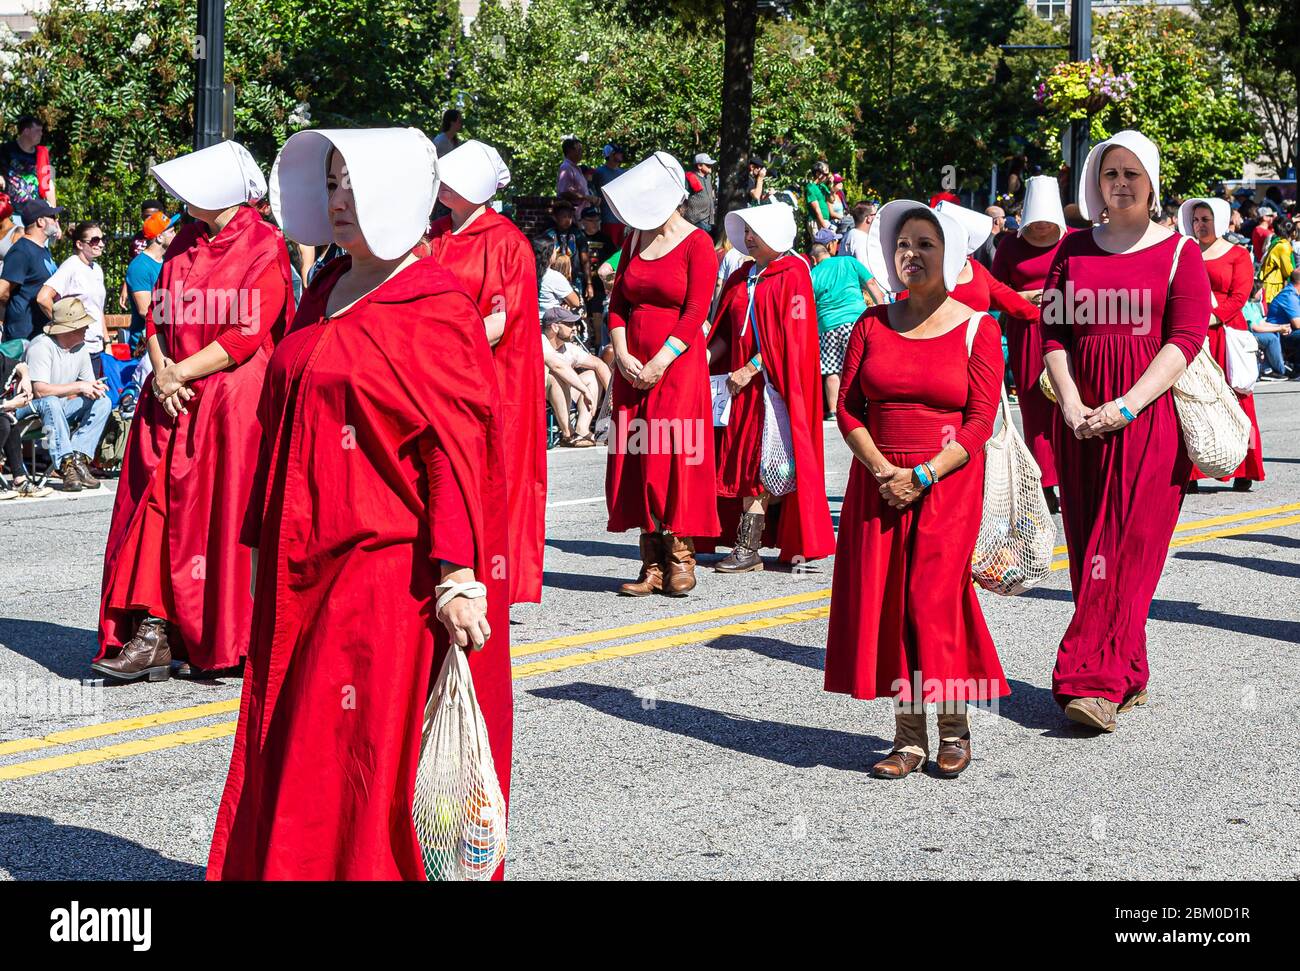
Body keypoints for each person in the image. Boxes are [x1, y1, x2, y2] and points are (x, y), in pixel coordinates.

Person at [208, 127, 511, 881]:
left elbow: (453, 451)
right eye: (332, 181)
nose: (337, 197)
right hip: (299, 560)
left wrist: (457, 574)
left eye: (352, 182)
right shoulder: (322, 288)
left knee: (356, 750)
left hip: (381, 574)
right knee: (300, 740)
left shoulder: (436, 303)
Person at [92, 139, 294, 684]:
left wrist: (180, 373)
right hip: (170, 395)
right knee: (152, 508)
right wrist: (162, 372)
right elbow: (155, 314)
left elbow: (248, 332)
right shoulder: (183, 240)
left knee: (217, 517)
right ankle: (154, 628)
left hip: (230, 401)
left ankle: (219, 633)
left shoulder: (263, 244)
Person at [824, 199, 1007, 779]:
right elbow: (847, 409)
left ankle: (954, 728)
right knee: (889, 600)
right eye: (903, 244)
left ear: (949, 255)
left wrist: (923, 474)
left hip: (946, 481)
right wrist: (883, 470)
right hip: (878, 481)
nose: (912, 254)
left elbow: (980, 423)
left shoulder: (979, 326)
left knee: (933, 598)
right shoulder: (870, 324)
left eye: (925, 244)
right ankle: (907, 736)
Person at [1041, 130, 1210, 733]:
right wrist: (1071, 401)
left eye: (1131, 174)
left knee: (1127, 550)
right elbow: (1053, 334)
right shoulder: (1073, 250)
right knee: (1091, 549)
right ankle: (1128, 669)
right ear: (1096, 183)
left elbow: (1186, 340)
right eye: (1110, 173)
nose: (1119, 183)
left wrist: (1128, 405)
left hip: (1146, 420)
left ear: (1152, 182)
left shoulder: (1180, 253)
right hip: (1082, 420)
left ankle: (1091, 682)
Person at [419, 138, 547, 604]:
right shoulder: (432, 234)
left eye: (453, 181)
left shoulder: (507, 241)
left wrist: (441, 348)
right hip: (437, 369)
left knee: (498, 477)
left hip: (492, 377)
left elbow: (500, 320)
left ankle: (495, 579)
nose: (443, 187)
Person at [602, 151, 719, 596]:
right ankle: (650, 563)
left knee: (674, 453)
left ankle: (680, 554)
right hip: (632, 363)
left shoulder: (698, 244)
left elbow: (694, 313)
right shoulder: (633, 239)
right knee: (637, 454)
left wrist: (659, 361)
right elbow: (617, 306)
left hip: (676, 364)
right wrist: (622, 354)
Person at [705, 202, 835, 574]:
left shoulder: (794, 273)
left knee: (763, 464)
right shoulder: (741, 275)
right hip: (737, 391)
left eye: (755, 232)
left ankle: (749, 546)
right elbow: (728, 333)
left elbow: (792, 338)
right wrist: (702, 358)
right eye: (745, 231)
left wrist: (753, 367)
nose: (748, 238)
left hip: (773, 390)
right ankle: (748, 541)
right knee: (742, 461)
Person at [989, 175, 1068, 506]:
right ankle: (1043, 481)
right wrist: (1024, 296)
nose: (1041, 228)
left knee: (1067, 404)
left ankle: (1069, 476)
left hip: (1066, 330)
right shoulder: (1009, 245)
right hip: (1026, 333)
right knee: (1035, 408)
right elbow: (994, 292)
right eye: (1036, 221)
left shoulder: (1073, 240)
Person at [1178, 197, 1265, 491]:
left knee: (1238, 399)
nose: (1200, 225)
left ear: (1221, 220)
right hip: (1194, 334)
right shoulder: (1186, 251)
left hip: (1225, 334)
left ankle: (1245, 467)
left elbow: (1239, 297)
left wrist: (1211, 319)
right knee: (1194, 400)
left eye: (1206, 219)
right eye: (1196, 219)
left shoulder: (1238, 255)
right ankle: (1193, 471)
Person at [20, 297, 111, 491]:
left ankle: (77, 457)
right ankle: (65, 465)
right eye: (82, 325)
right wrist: (79, 387)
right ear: (69, 329)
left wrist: (95, 388)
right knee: (51, 401)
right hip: (29, 410)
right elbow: (39, 391)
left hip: (58, 409)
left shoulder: (80, 348)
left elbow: (87, 385)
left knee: (103, 402)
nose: (87, 328)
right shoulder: (41, 347)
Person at [809, 237, 883, 414]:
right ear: (830, 250)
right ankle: (864, 405)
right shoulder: (848, 261)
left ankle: (834, 411)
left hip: (827, 325)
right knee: (859, 363)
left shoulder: (813, 274)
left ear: (813, 259)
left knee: (831, 368)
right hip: (855, 320)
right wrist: (881, 309)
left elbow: (809, 304)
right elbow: (871, 283)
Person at [38, 221, 107, 377]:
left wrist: (106, 341)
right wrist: (65, 329)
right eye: (95, 240)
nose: (101, 244)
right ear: (80, 244)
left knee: (95, 397)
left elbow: (97, 308)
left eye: (103, 239)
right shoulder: (71, 266)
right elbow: (43, 298)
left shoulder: (96, 269)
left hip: (96, 347)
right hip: (77, 347)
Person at [543, 305, 609, 447]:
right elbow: (558, 366)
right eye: (569, 324)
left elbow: (599, 364)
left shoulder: (568, 347)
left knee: (593, 374)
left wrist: (613, 397)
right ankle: (568, 434)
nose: (574, 327)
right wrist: (584, 391)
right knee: (556, 375)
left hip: (562, 394)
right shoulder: (540, 341)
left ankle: (582, 430)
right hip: (538, 395)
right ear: (555, 327)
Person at [0, 199, 60, 342]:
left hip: (40, 333)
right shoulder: (21, 251)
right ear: (40, 221)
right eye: (52, 217)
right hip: (23, 337)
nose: (56, 220)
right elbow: (2, 291)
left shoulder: (42, 249)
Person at [123, 211, 179, 349]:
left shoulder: (167, 261)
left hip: (166, 338)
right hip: (146, 345)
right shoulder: (139, 267)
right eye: (171, 231)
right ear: (159, 237)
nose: (176, 235)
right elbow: (144, 310)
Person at [538, 200, 592, 307]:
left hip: (574, 279)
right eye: (564, 216)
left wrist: (589, 283)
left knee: (576, 307)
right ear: (555, 218)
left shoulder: (578, 234)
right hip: (552, 280)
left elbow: (585, 261)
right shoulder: (548, 235)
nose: (568, 219)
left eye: (570, 216)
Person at [0, 115, 55, 207]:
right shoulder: (6, 150)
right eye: (37, 130)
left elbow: (48, 183)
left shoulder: (42, 153)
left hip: (35, 213)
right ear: (26, 131)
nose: (41, 134)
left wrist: (52, 211)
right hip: (10, 212)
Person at [592, 144, 626, 246]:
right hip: (607, 218)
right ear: (610, 155)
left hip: (622, 219)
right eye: (617, 153)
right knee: (610, 248)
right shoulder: (599, 172)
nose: (621, 155)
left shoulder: (623, 173)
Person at [1259, 215, 1296, 308]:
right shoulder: (1284, 246)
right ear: (1293, 232)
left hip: (1269, 285)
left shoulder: (1276, 241)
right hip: (1272, 288)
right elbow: (1288, 272)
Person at [557, 136, 598, 209]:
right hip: (573, 214)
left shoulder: (575, 168)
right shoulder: (566, 168)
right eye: (579, 150)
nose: (581, 153)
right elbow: (564, 191)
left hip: (582, 214)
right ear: (570, 151)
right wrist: (587, 197)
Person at [684, 153, 717, 233]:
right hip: (697, 219)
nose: (710, 167)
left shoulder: (708, 177)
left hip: (708, 219)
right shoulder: (691, 178)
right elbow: (684, 197)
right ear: (699, 166)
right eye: (708, 165)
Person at [840, 203, 876, 268]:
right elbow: (865, 269)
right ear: (869, 218)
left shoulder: (850, 234)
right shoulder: (860, 239)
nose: (877, 217)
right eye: (875, 214)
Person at [804, 161, 832, 238]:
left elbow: (832, 200)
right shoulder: (811, 187)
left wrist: (831, 187)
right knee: (820, 248)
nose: (827, 177)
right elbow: (817, 210)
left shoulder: (823, 186)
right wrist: (825, 228)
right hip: (816, 221)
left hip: (824, 220)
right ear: (818, 174)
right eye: (826, 174)